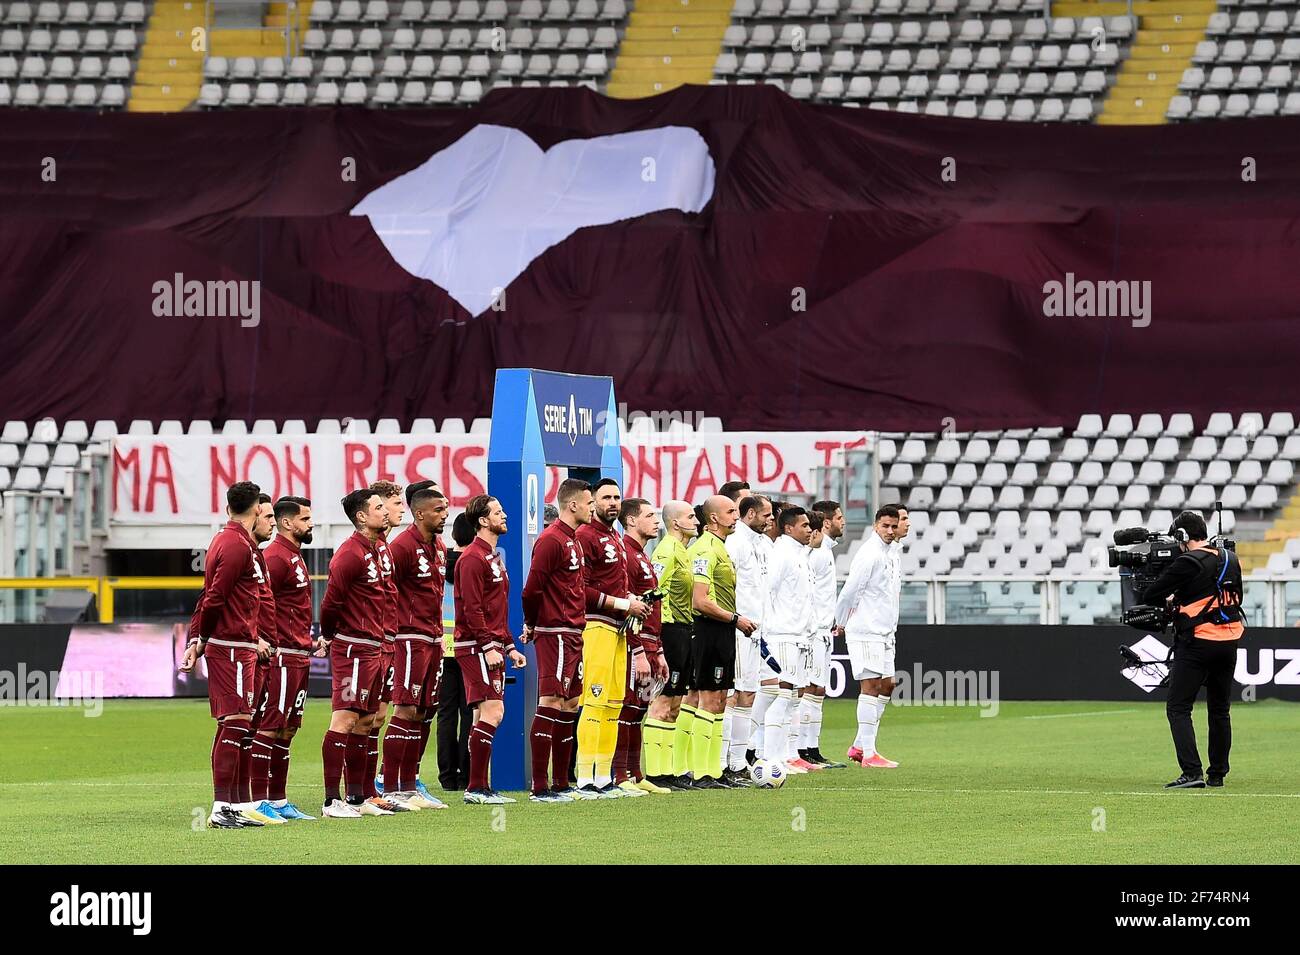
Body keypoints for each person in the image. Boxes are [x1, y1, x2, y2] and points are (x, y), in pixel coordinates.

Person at [180, 481, 271, 829]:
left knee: (234, 723)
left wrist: (197, 638)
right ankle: (221, 808)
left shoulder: (230, 540)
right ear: (254, 509)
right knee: (235, 721)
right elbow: (214, 598)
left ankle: (231, 805)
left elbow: (209, 596)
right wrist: (201, 638)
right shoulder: (235, 544)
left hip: (238, 645)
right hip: (231, 646)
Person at [1142, 510, 1245, 789]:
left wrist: (1172, 593)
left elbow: (1149, 594)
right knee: (1220, 709)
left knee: (1178, 707)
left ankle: (1192, 772)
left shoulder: (1188, 561)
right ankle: (1217, 774)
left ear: (1182, 536)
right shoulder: (1229, 558)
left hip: (1198, 641)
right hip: (1229, 641)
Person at [318, 488, 398, 818]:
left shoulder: (377, 550)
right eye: (379, 507)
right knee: (346, 717)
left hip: (374, 647)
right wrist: (330, 636)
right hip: (353, 648)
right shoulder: (349, 554)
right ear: (362, 517)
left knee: (367, 719)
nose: (386, 512)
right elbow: (331, 603)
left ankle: (356, 797)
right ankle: (330, 800)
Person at [573, 478, 649, 798]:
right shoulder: (585, 536)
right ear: (592, 503)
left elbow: (613, 585)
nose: (613, 503)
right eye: (605, 498)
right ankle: (584, 778)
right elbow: (581, 588)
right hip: (596, 627)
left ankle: (604, 777)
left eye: (617, 497)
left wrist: (632, 602)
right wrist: (622, 603)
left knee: (613, 705)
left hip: (619, 630)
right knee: (594, 701)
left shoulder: (615, 537)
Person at [520, 478, 593, 803]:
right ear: (573, 504)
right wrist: (533, 624)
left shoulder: (573, 540)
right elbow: (531, 589)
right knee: (550, 701)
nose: (592, 509)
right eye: (589, 503)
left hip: (573, 632)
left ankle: (562, 783)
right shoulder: (550, 541)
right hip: (556, 632)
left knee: (570, 703)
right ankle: (540, 787)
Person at [454, 494, 527, 804]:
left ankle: (478, 787)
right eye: (498, 512)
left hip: (489, 644)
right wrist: (487, 645)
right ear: (483, 521)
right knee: (493, 711)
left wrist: (509, 646)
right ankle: (476, 788)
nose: (505, 515)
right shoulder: (471, 558)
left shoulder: (493, 556)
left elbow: (496, 609)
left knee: (483, 714)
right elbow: (471, 608)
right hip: (474, 645)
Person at [383, 485, 451, 810]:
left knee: (425, 711)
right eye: (439, 509)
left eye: (446, 508)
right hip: (408, 639)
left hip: (434, 638)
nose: (445, 514)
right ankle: (391, 786)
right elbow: (383, 590)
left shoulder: (440, 546)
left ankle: (409, 786)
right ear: (420, 512)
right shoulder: (402, 546)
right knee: (406, 709)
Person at [257, 495, 321, 821]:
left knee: (288, 729)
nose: (311, 525)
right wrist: (259, 640)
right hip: (280, 655)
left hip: (299, 654)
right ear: (287, 522)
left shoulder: (295, 556)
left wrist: (309, 642)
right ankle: (257, 802)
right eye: (306, 519)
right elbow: (256, 601)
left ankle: (278, 800)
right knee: (271, 726)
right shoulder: (276, 558)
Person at [687, 495, 756, 788]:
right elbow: (700, 600)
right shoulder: (704, 549)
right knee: (708, 700)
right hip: (708, 629)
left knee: (718, 700)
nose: (735, 516)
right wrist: (734, 619)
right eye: (730, 512)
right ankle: (700, 771)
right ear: (713, 518)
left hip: (722, 629)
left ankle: (713, 769)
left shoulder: (721, 548)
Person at [835, 504, 902, 769]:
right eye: (885, 526)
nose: (889, 531)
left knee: (888, 684)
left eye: (893, 526)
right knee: (871, 686)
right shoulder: (870, 553)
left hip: (884, 631)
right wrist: (840, 622)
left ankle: (860, 746)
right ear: (876, 525)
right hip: (865, 630)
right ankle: (869, 754)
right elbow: (851, 590)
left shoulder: (891, 552)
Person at [614, 497, 670, 795]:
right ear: (632, 520)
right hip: (634, 646)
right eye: (650, 516)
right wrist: (637, 650)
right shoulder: (625, 553)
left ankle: (635, 774)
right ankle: (619, 774)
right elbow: (627, 609)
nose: (656, 521)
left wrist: (658, 650)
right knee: (627, 707)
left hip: (650, 645)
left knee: (640, 709)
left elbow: (652, 607)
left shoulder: (643, 555)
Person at [643, 500, 700, 790]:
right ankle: (655, 772)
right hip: (670, 630)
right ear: (675, 523)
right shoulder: (666, 550)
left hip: (683, 629)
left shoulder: (684, 551)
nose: (696, 521)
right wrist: (657, 634)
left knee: (676, 703)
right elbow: (653, 591)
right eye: (690, 516)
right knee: (663, 701)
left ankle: (669, 770)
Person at [761, 506, 815, 772]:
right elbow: (767, 592)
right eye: (804, 526)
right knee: (780, 697)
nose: (809, 530)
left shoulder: (800, 555)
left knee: (793, 697)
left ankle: (783, 755)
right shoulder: (780, 554)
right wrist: (769, 630)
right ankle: (771, 757)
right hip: (781, 635)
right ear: (788, 528)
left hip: (799, 636)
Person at [726, 494, 772, 782]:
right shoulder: (736, 543)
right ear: (751, 514)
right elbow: (726, 586)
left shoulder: (761, 544)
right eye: (766, 515)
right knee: (736, 695)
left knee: (749, 694)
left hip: (757, 630)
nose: (771, 519)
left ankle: (738, 760)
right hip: (739, 628)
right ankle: (728, 763)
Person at [801, 500, 847, 769]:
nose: (843, 522)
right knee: (809, 689)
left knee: (818, 690)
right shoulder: (815, 553)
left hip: (824, 630)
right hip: (813, 631)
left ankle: (812, 748)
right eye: (839, 517)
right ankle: (802, 749)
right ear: (826, 523)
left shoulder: (825, 551)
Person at [438, 513, 474, 791]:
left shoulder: (440, 562)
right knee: (470, 713)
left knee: (446, 715)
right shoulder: (474, 562)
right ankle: (466, 774)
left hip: (441, 646)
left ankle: (447, 776)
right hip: (467, 645)